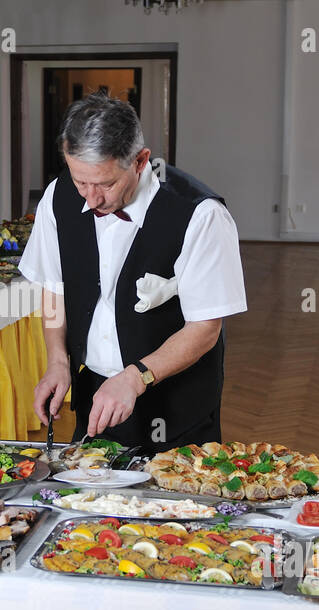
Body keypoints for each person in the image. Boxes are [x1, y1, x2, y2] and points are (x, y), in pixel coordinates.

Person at [19, 93, 246, 450]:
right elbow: (53, 288)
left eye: (105, 184)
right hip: (95, 399)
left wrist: (135, 378)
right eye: (81, 181)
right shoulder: (57, 197)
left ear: (140, 161)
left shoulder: (200, 215)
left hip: (176, 408)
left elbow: (205, 328)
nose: (90, 199)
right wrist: (57, 361)